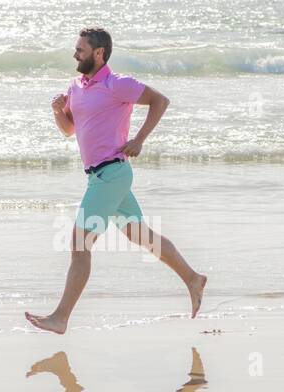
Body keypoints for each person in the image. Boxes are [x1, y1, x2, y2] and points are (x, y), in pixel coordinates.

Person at [24, 27, 206, 335]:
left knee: (80, 244)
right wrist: (58, 111)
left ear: (99, 54)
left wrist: (139, 139)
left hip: (111, 173)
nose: (75, 54)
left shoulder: (117, 84)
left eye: (80, 50)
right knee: (142, 236)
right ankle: (192, 278)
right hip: (102, 176)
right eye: (76, 48)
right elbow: (69, 130)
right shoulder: (76, 87)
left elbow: (160, 101)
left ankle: (61, 318)